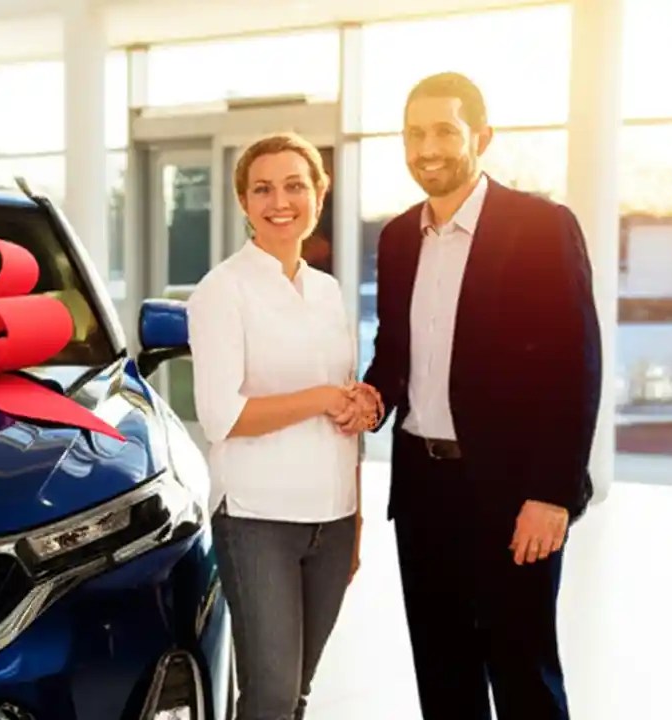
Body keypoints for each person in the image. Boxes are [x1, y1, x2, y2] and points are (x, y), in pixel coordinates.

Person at [350, 72, 602, 720]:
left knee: (523, 676)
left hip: (513, 491)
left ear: (481, 137)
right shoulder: (400, 236)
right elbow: (397, 350)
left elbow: (575, 366)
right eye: (413, 133)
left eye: (443, 131)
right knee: (443, 675)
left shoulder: (541, 227)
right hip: (424, 491)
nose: (426, 148)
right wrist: (371, 398)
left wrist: (553, 494)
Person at [188, 132, 372, 720]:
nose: (280, 201)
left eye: (295, 185)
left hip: (334, 520)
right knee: (267, 698)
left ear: (320, 192)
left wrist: (357, 512)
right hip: (258, 520)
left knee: (296, 693)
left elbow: (343, 411)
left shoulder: (328, 291)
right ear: (244, 202)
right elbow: (223, 416)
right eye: (262, 188)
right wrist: (321, 397)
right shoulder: (222, 291)